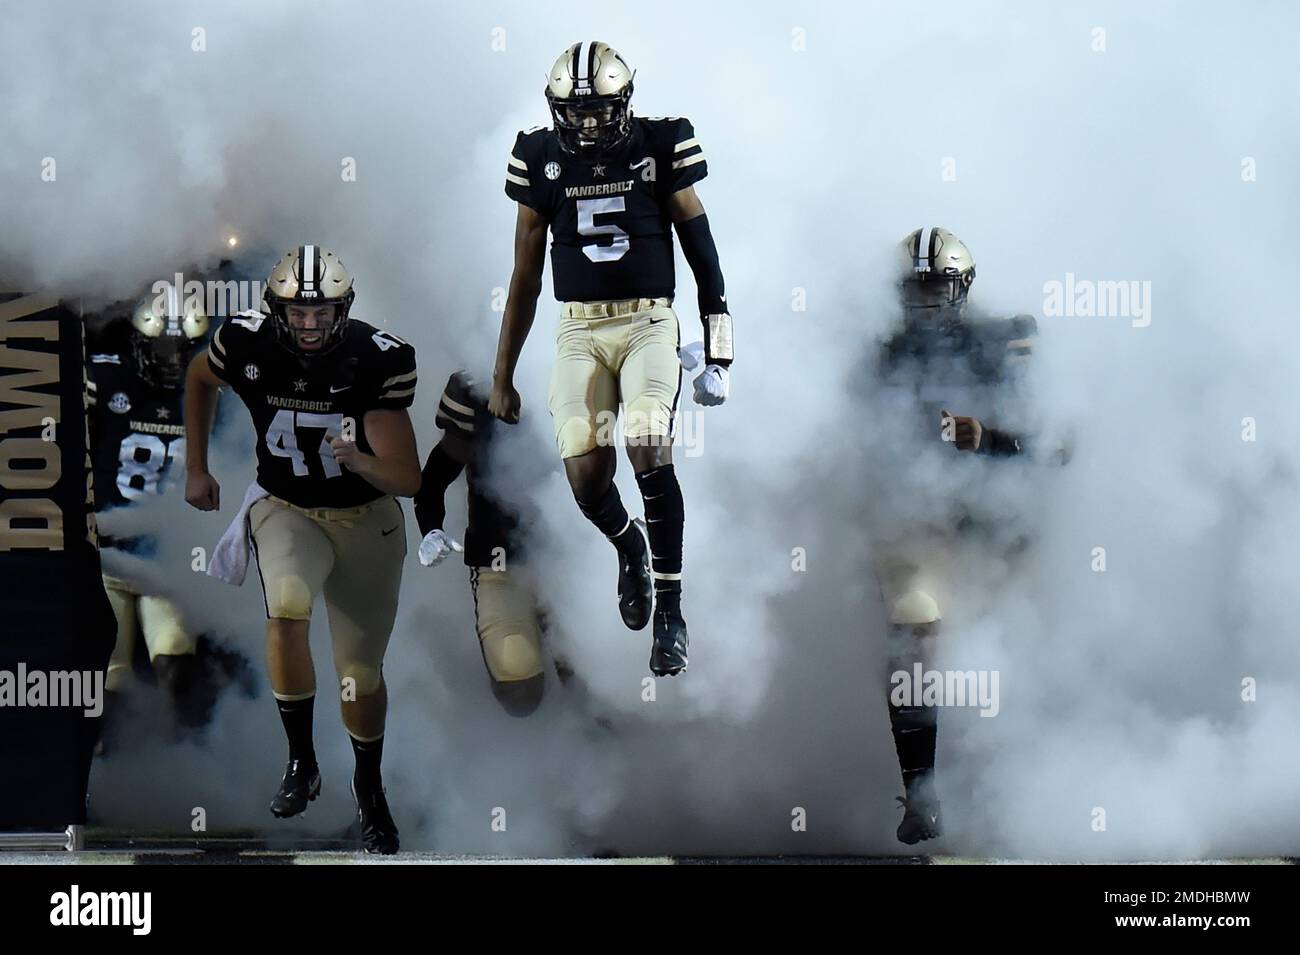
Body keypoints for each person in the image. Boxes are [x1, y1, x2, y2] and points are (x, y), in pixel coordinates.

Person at [488, 41, 734, 677]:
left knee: (648, 441)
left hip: (649, 320)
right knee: (584, 472)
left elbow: (703, 250)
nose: (590, 124)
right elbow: (523, 279)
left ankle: (672, 612)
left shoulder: (659, 145)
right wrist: (502, 375)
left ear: (625, 103)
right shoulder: (539, 159)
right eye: (578, 112)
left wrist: (719, 345)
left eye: (601, 110)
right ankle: (629, 547)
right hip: (579, 332)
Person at [183, 245, 421, 854]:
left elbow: (408, 479)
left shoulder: (375, 358)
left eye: (321, 313)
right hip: (285, 507)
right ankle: (301, 761)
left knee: (359, 677)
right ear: (275, 310)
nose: (309, 325)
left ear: (343, 311)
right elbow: (198, 376)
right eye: (297, 313)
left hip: (365, 520)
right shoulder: (247, 343)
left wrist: (362, 460)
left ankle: (368, 785)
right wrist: (197, 467)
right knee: (287, 605)